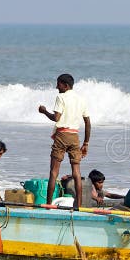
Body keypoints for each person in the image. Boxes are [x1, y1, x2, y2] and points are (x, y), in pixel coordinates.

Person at [38, 73, 91, 209]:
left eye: (58, 84)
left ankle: (49, 204)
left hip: (62, 135)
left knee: (54, 172)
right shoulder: (81, 99)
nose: (57, 87)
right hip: (75, 136)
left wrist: (44, 111)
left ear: (66, 86)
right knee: (76, 172)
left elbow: (56, 118)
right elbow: (88, 122)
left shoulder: (61, 97)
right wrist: (86, 143)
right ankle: (78, 205)